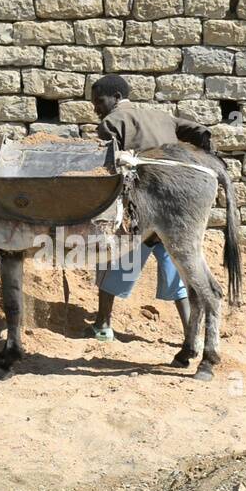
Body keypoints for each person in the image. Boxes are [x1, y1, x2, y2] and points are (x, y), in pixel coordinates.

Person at [85, 74, 214, 343]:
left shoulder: (112, 122)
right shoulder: (161, 116)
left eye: (98, 101)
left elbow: (110, 170)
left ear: (117, 98)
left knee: (114, 263)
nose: (95, 107)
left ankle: (103, 326)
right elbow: (199, 131)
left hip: (140, 210)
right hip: (174, 206)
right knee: (182, 270)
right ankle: (192, 336)